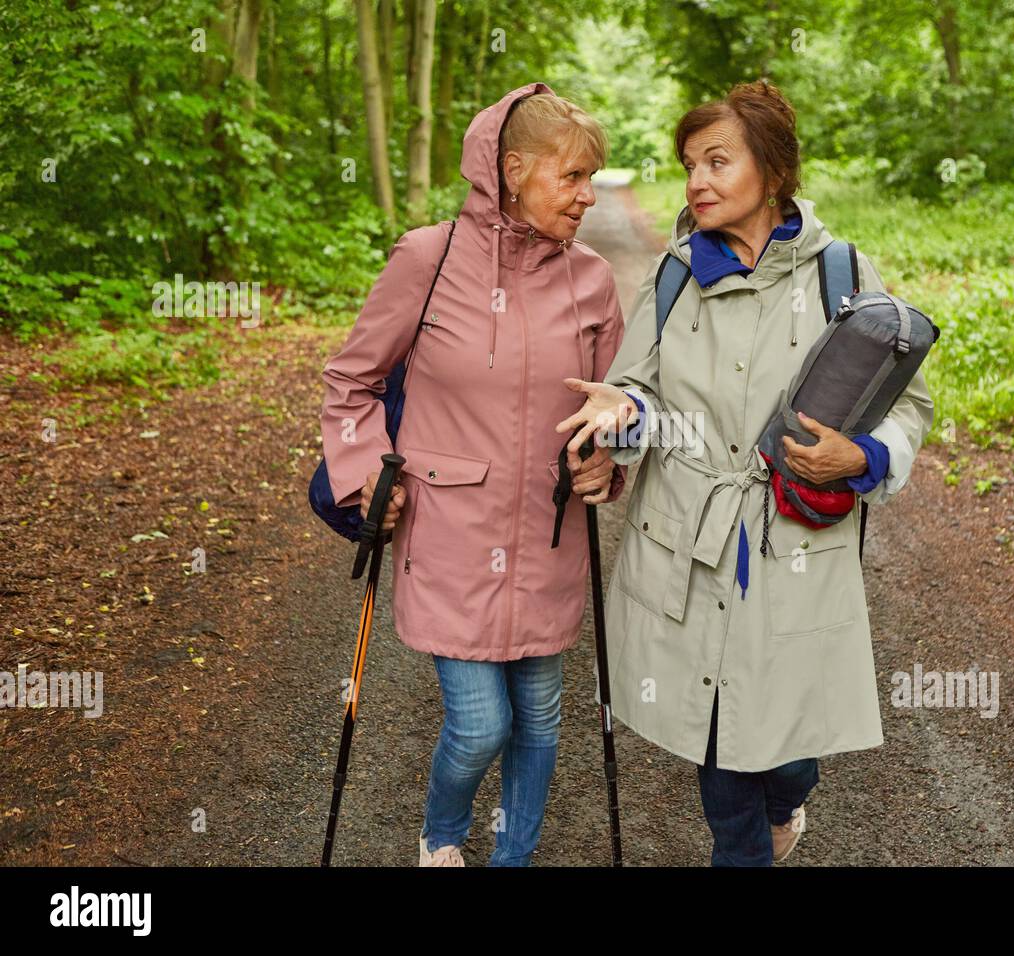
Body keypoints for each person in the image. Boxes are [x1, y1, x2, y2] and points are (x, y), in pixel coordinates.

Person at [556, 80, 934, 866]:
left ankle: (792, 797)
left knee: (786, 748)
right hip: (689, 541)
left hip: (793, 542)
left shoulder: (841, 273)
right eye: (691, 164)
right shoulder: (672, 276)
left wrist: (860, 458)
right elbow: (640, 388)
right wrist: (621, 415)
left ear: (772, 169)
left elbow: (907, 406)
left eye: (717, 161)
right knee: (725, 753)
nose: (697, 181)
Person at [320, 82, 626, 867]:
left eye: (594, 179)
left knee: (544, 717)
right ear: (514, 169)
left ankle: (512, 858)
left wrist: (607, 463)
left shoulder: (591, 280)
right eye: (574, 177)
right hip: (451, 533)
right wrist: (362, 480)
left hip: (547, 533)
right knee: (482, 723)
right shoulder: (428, 258)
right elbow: (351, 381)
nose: (589, 196)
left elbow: (617, 405)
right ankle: (443, 834)